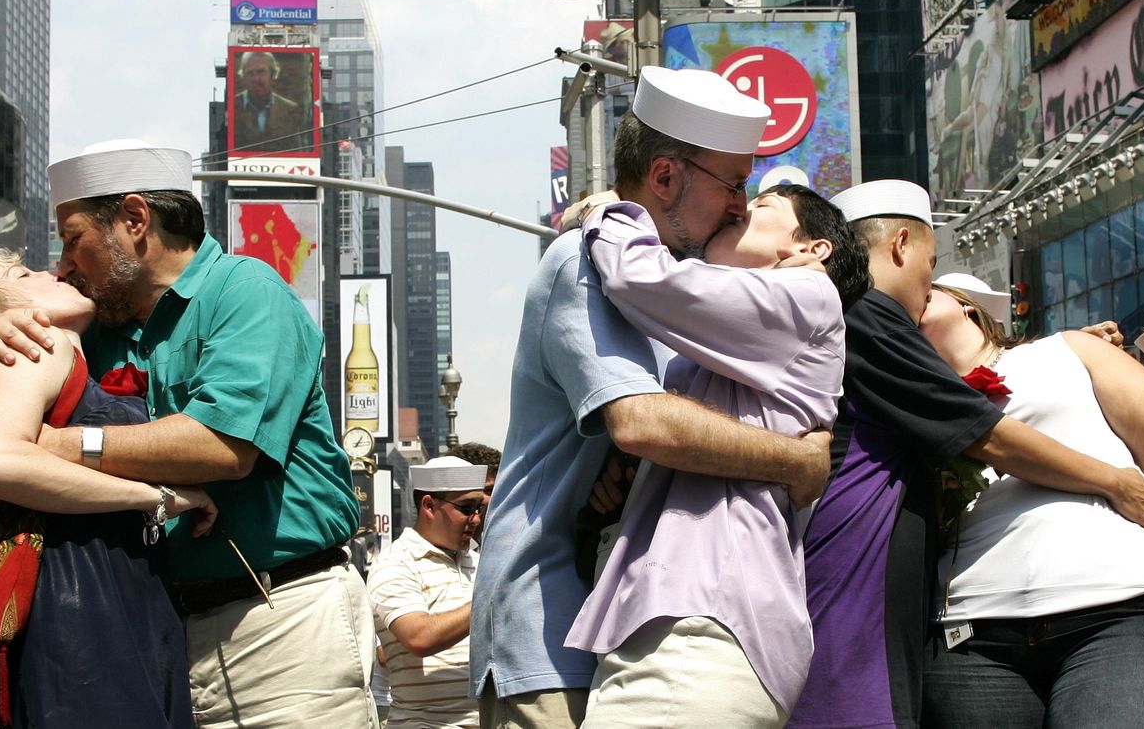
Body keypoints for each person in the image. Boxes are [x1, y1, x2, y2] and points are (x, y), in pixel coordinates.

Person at [468, 67, 832, 729]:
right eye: (734, 185)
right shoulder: (584, 261)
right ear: (664, 177)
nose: (740, 207)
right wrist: (797, 458)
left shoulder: (689, 288)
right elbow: (643, 423)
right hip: (553, 631)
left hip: (636, 621)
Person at [0, 140, 376, 729]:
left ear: (135, 219)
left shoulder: (246, 290)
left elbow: (223, 447)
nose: (62, 264)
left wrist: (62, 444)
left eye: (72, 238)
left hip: (280, 624)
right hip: (152, 632)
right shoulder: (97, 329)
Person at [787, 179, 1144, 729]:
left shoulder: (850, 313)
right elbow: (986, 435)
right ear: (900, 245)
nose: (928, 290)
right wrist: (1113, 481)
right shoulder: (865, 309)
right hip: (851, 578)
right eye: (931, 267)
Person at [566, 184, 868, 727]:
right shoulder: (736, 328)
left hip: (697, 626)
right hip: (688, 624)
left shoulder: (808, 291)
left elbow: (637, 276)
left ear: (812, 248)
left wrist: (606, 211)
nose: (737, 207)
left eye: (761, 206)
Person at [916, 273, 1144, 728]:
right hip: (968, 631)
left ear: (968, 306)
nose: (915, 298)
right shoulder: (908, 404)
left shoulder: (1068, 350)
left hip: (1113, 607)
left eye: (931, 290)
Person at [0, 246, 219, 727]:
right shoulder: (30, 345)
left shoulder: (67, 355)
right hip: (81, 620)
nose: (50, 271)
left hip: (105, 609)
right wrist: (153, 498)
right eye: (22, 274)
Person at [368, 456, 490, 729]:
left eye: (479, 508)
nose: (476, 519)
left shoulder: (479, 561)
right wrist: (489, 598)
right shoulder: (395, 563)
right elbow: (419, 637)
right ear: (429, 506)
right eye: (466, 508)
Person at [231, 50, 307, 154]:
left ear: (273, 74)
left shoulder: (290, 109)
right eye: (250, 73)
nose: (256, 79)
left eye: (261, 72)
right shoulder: (233, 106)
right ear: (243, 77)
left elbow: (297, 151)